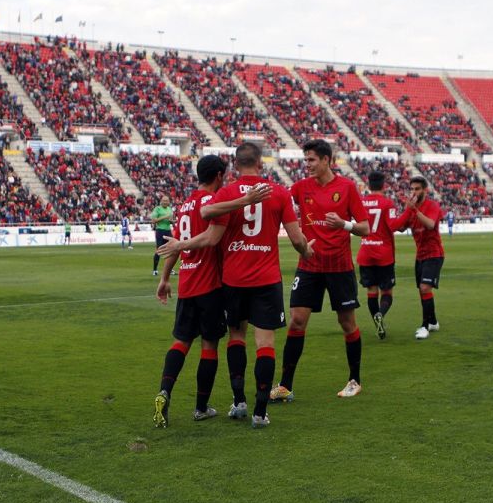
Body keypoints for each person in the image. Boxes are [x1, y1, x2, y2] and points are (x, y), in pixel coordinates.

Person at [159, 142, 313, 428]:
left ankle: (239, 401)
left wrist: (180, 246)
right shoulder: (279, 192)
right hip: (266, 279)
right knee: (265, 343)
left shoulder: (226, 193)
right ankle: (260, 412)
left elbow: (211, 235)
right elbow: (296, 239)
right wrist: (306, 250)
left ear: (236, 165)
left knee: (236, 337)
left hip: (233, 280)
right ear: (261, 163)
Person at [273, 138, 369, 402]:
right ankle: (285, 385)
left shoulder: (347, 187)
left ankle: (354, 380)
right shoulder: (301, 187)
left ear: (327, 160)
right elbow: (278, 200)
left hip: (339, 267)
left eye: (312, 160)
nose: (307, 164)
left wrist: (344, 224)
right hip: (309, 264)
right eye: (305, 160)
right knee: (297, 320)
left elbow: (365, 228)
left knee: (347, 323)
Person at [152, 156, 234, 428]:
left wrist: (165, 279)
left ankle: (164, 391)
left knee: (181, 342)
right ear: (219, 175)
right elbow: (210, 238)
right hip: (210, 285)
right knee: (209, 345)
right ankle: (200, 408)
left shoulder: (186, 205)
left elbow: (175, 246)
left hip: (186, 285)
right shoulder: (212, 203)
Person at [396, 175, 445, 340]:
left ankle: (425, 326)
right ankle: (433, 322)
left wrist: (414, 210)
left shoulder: (432, 205)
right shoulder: (411, 209)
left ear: (425, 190)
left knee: (424, 288)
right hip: (420, 255)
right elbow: (401, 227)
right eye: (412, 189)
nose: (414, 192)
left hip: (434, 254)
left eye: (417, 189)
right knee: (422, 290)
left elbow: (430, 224)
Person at [357, 171, 402, 339]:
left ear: (369, 185)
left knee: (371, 291)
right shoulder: (387, 203)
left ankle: (378, 325)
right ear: (384, 185)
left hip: (366, 252)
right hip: (384, 254)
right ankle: (380, 314)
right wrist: (408, 215)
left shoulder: (361, 202)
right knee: (387, 292)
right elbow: (394, 225)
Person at [150, 195, 174, 275]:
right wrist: (164, 217)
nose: (165, 202)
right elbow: (153, 221)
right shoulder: (157, 209)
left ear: (169, 202)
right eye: (164, 201)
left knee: (171, 250)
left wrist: (172, 221)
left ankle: (170, 269)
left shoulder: (170, 209)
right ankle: (155, 270)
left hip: (168, 231)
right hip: (160, 231)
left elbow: (171, 221)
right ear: (161, 201)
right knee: (159, 250)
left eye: (166, 201)